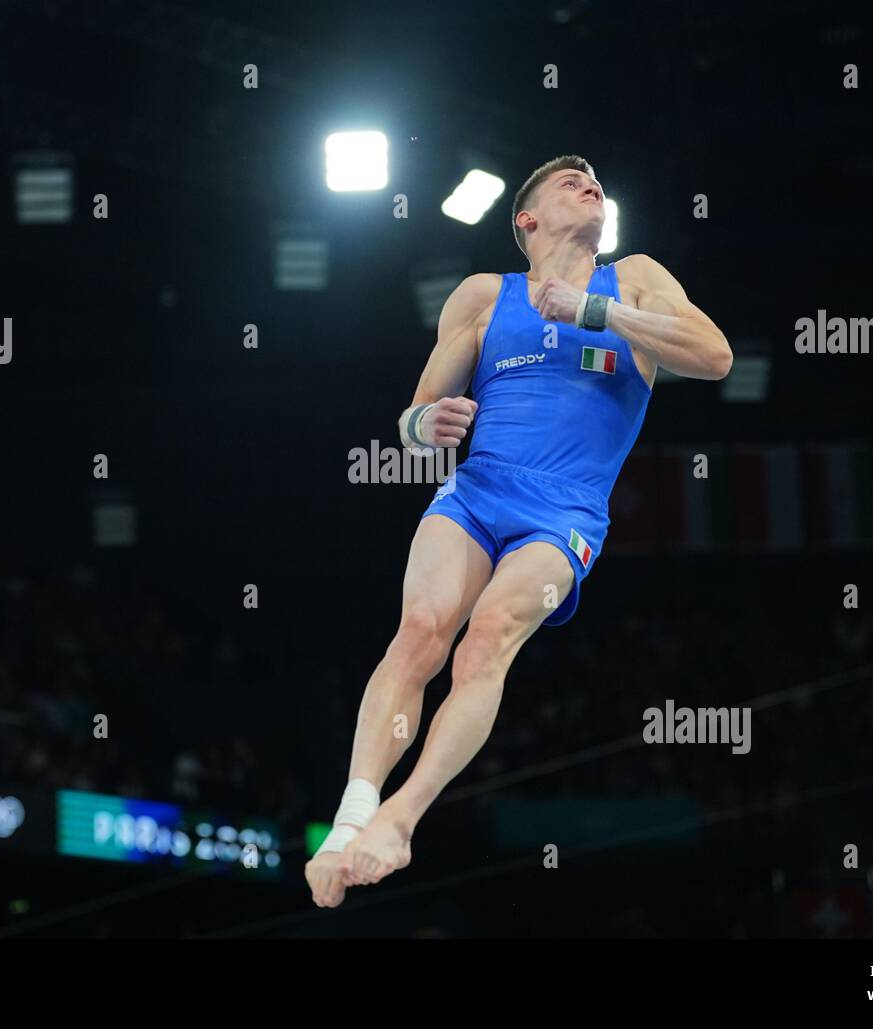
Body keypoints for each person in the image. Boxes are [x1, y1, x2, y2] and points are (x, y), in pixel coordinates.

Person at [305, 155, 733, 907]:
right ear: (526, 219)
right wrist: (422, 425)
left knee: (489, 636)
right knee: (419, 633)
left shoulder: (633, 277)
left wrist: (594, 312)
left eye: (600, 180)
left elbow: (714, 355)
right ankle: (350, 820)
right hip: (475, 494)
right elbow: (416, 414)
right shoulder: (481, 295)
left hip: (564, 513)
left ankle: (401, 819)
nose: (593, 184)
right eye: (572, 182)